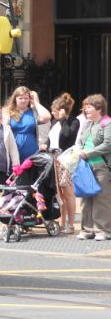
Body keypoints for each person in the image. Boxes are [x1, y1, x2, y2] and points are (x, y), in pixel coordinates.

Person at [77, 94, 111, 240]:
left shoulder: (107, 123)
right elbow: (79, 141)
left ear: (99, 108)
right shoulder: (87, 124)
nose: (86, 110)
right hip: (86, 167)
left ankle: (103, 230)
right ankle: (87, 230)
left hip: (101, 166)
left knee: (101, 199)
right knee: (86, 198)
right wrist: (78, 151)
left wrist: (88, 153)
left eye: (89, 107)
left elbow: (108, 144)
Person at [48, 93, 80, 234]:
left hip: (66, 159)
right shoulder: (54, 123)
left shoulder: (73, 121)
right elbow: (51, 139)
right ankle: (62, 222)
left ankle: (71, 224)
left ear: (62, 110)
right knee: (59, 193)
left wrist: (63, 119)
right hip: (53, 158)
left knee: (68, 192)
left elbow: (68, 135)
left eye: (55, 110)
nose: (52, 113)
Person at [4, 85, 51, 161]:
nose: (23, 100)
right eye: (20, 98)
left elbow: (47, 117)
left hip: (31, 150)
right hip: (13, 150)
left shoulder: (33, 113)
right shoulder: (7, 112)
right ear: (15, 99)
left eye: (26, 98)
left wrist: (35, 102)